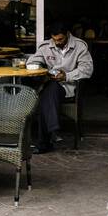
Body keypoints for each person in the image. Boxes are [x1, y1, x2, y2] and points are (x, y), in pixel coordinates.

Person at [27, 21, 93, 153]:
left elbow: (87, 69)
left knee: (46, 95)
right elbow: (32, 62)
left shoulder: (80, 46)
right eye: (54, 39)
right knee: (49, 92)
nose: (57, 42)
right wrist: (42, 69)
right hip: (50, 84)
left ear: (68, 34)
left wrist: (66, 76)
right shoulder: (46, 46)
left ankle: (46, 141)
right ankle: (52, 133)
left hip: (68, 86)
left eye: (60, 39)